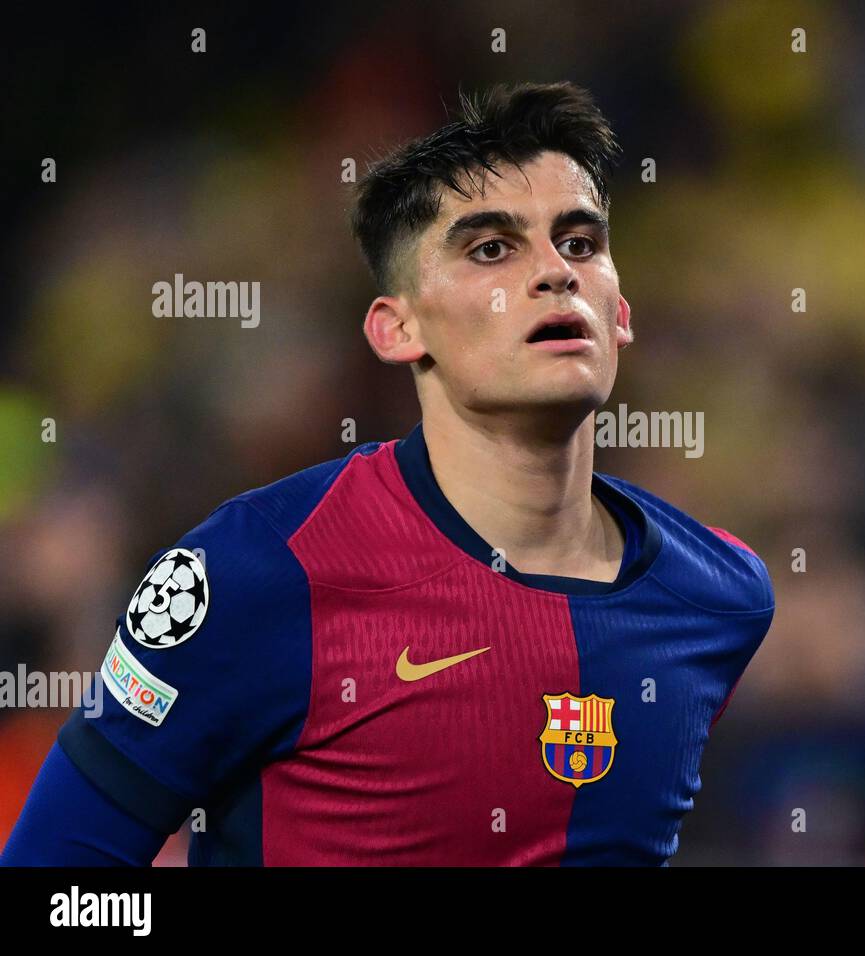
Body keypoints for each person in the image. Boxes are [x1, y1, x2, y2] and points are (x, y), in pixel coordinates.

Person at [0, 81, 774, 866]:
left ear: (621, 312)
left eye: (579, 242)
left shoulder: (719, 595)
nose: (555, 273)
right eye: (491, 249)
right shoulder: (254, 571)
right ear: (396, 328)